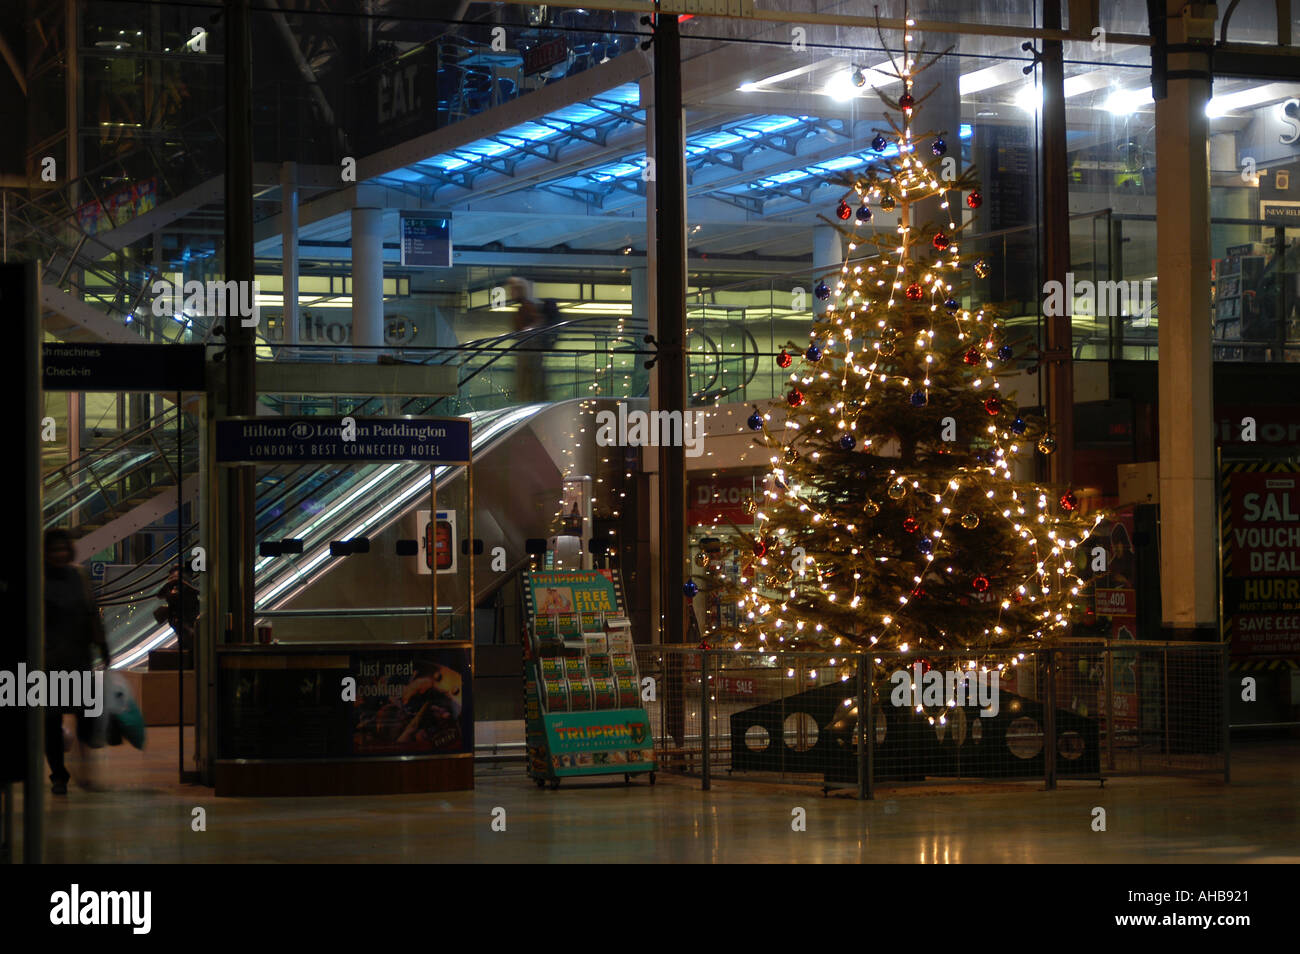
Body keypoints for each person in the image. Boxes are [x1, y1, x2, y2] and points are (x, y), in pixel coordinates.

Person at [43, 528, 109, 795]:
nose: (59, 554)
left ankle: (83, 766)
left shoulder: (80, 576)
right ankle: (58, 775)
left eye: (62, 548)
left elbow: (92, 612)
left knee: (86, 717)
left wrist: (103, 646)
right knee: (51, 722)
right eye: (54, 549)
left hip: (79, 659)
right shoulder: (38, 578)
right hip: (48, 662)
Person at [506, 276, 547, 402]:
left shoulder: (527, 307)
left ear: (520, 290)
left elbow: (538, 322)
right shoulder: (523, 307)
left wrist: (527, 330)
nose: (510, 293)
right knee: (526, 382)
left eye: (513, 290)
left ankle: (528, 401)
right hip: (526, 351)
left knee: (527, 382)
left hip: (528, 351)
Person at [154, 567, 200, 652]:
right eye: (171, 587)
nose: (173, 591)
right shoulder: (173, 612)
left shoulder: (198, 614)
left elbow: (193, 638)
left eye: (178, 586)